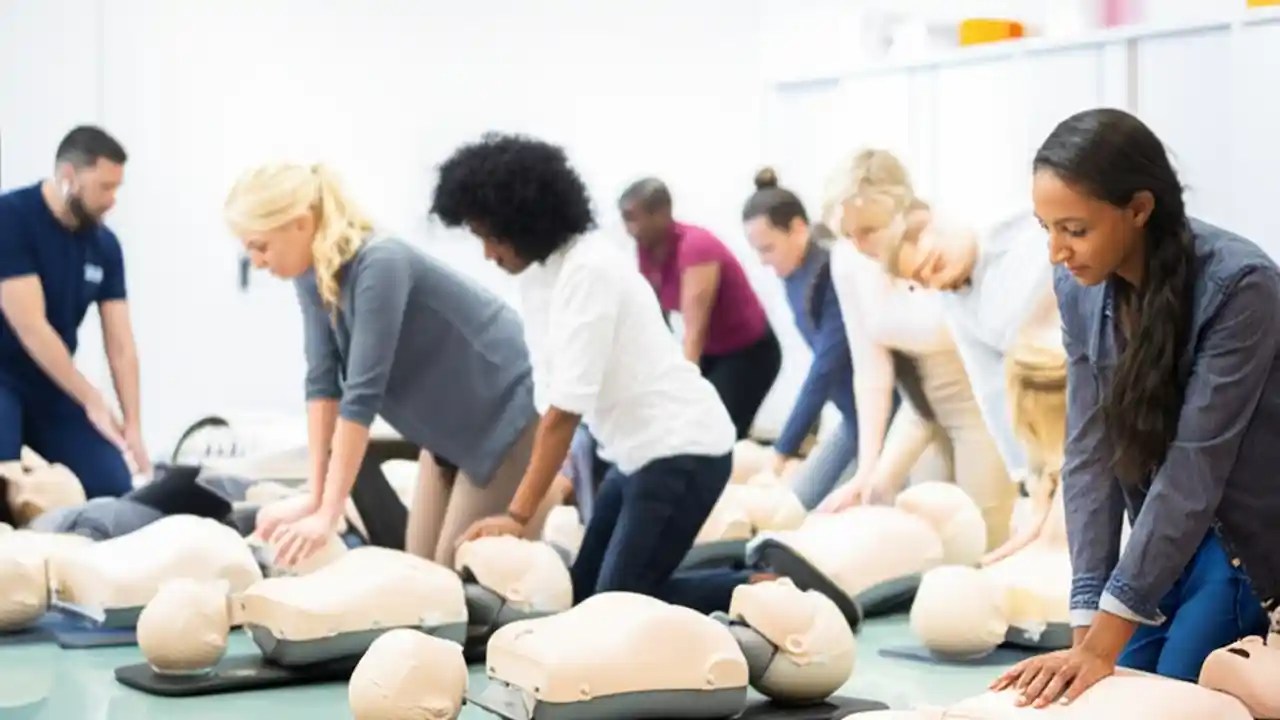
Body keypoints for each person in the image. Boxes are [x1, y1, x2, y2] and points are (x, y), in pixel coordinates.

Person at [992, 107, 1279, 707]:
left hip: (1242, 550)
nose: (1055, 252)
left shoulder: (1243, 285)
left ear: (1139, 209)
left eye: (1073, 229)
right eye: (1046, 228)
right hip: (1162, 544)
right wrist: (1085, 629)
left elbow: (1194, 469)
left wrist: (1104, 642)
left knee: (1164, 696)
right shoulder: (1078, 287)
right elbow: (1089, 457)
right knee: (1094, 693)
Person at [431, 133, 743, 611]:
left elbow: (565, 410)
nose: (488, 254)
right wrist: (556, 478)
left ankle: (759, 583)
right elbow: (550, 396)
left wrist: (518, 513)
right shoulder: (540, 276)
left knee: (614, 605)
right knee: (580, 598)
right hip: (633, 456)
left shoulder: (589, 271)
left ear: (525, 220)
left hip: (683, 450)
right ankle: (740, 576)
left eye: (491, 237)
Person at [223, 162, 552, 569]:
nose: (256, 261)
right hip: (448, 434)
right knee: (421, 575)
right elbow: (323, 385)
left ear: (301, 224)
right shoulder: (312, 276)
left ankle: (545, 492)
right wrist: (316, 496)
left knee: (458, 579)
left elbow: (361, 394)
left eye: (260, 246)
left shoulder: (381, 263)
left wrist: (330, 512)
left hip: (506, 416)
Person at [817, 149, 1017, 552]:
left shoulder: (946, 242)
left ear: (902, 211)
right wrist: (867, 467)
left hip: (980, 407)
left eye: (868, 230)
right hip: (921, 407)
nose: (857, 243)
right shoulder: (848, 259)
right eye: (847, 232)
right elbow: (871, 371)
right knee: (885, 502)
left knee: (983, 540)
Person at [867, 153, 1063, 559]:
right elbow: (991, 387)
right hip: (1050, 413)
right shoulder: (956, 303)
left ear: (939, 224)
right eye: (924, 279)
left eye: (933, 261)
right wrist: (1024, 476)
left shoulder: (1022, 230)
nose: (935, 278)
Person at [0, 126, 148, 498]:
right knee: (6, 482)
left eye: (117, 188)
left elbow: (120, 344)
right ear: (68, 178)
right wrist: (93, 399)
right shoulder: (11, 218)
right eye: (104, 187)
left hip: (51, 384)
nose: (112, 200)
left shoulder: (105, 245)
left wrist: (132, 427)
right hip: (3, 377)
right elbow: (31, 327)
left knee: (112, 483)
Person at [620, 177, 780, 439]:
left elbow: (695, 333)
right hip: (713, 352)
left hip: (749, 354)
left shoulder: (696, 248)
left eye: (633, 218)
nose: (629, 229)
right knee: (678, 424)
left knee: (710, 434)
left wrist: (679, 397)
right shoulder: (646, 251)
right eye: (625, 219)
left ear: (661, 213)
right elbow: (655, 323)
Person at [741, 168, 858, 509]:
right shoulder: (793, 272)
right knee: (798, 505)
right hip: (853, 419)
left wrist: (782, 449)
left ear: (798, 228)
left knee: (841, 511)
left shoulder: (830, 272)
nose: (763, 261)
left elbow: (826, 366)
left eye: (768, 249)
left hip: (884, 418)